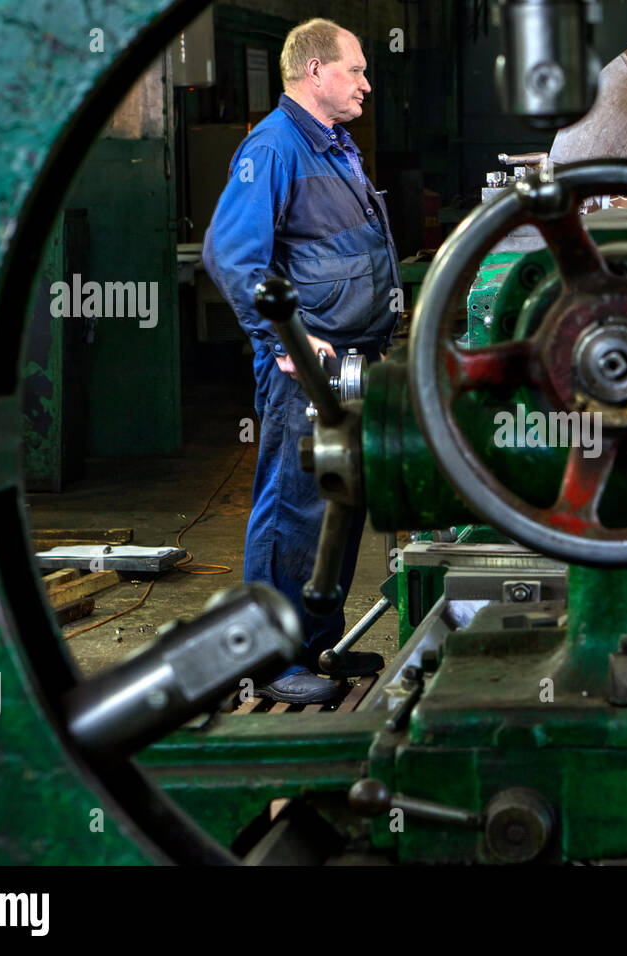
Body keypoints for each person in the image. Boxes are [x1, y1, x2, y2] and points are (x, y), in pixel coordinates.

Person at [203, 18, 399, 703]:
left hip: (352, 361)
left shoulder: (333, 145)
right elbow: (230, 257)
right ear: (314, 72)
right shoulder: (276, 147)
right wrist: (285, 339)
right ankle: (271, 661)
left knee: (336, 504)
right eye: (356, 70)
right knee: (292, 507)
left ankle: (317, 647)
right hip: (304, 371)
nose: (366, 84)